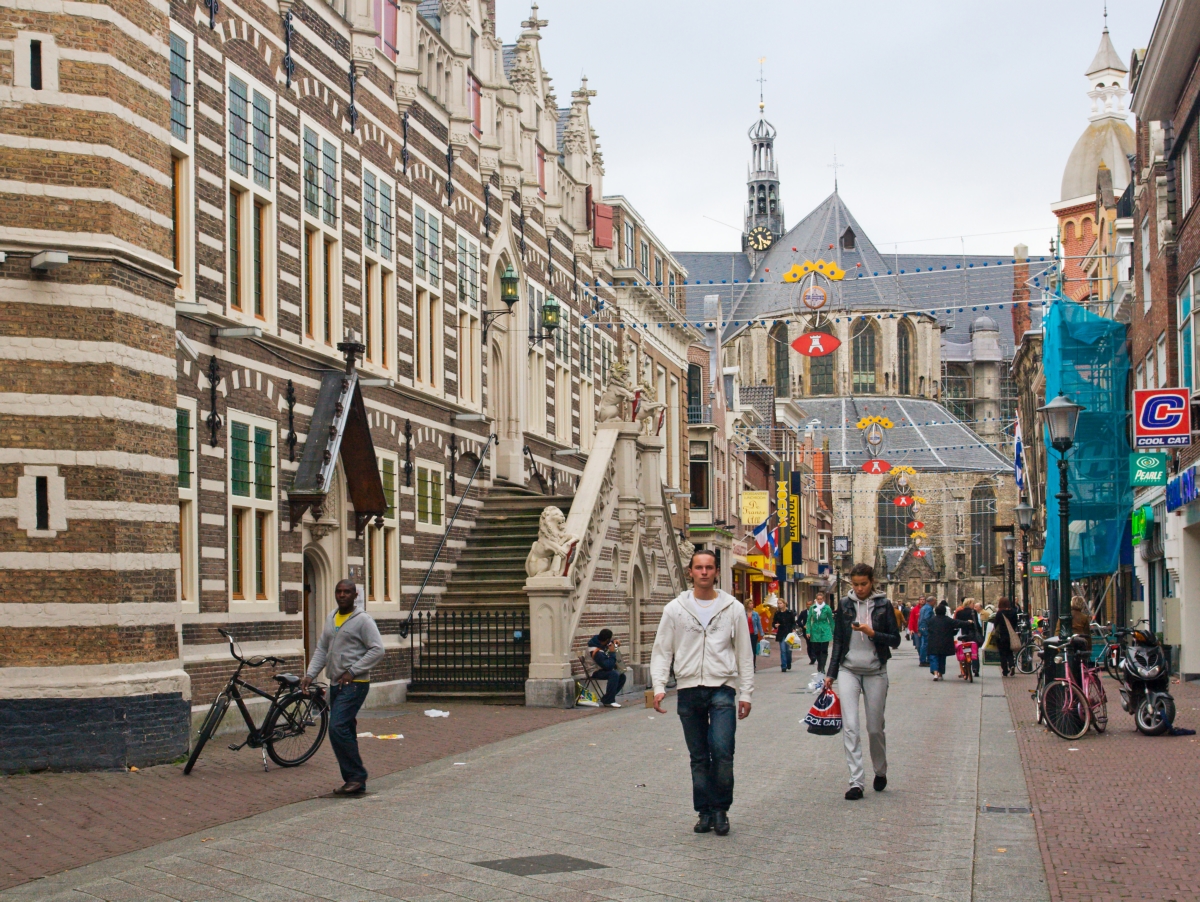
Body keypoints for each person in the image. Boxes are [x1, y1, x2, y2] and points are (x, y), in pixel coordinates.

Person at [651, 550, 754, 836]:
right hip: (688, 689)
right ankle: (704, 812)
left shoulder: (732, 608)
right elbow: (662, 650)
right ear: (691, 572)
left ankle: (721, 809)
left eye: (709, 567)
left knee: (722, 751)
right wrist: (659, 686)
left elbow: (745, 653)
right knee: (698, 756)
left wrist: (746, 693)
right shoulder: (675, 609)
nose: (704, 572)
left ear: (716, 572)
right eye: (699, 567)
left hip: (722, 687)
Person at [823, 563, 901, 801]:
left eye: (863, 584)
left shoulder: (884, 605)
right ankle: (856, 781)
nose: (859, 589)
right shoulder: (845, 604)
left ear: (872, 581)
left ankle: (880, 769)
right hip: (849, 670)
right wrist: (831, 673)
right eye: (855, 584)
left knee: (875, 727)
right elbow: (838, 639)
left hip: (876, 670)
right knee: (850, 726)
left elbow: (895, 640)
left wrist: (872, 632)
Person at [300, 579, 385, 795]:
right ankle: (355, 781)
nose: (342, 595)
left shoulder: (363, 620)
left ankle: (356, 776)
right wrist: (310, 674)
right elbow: (322, 649)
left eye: (347, 591)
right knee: (345, 729)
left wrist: (353, 670)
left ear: (355, 595)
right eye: (339, 591)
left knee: (337, 727)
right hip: (336, 682)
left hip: (356, 684)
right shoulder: (331, 617)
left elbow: (377, 649)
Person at [587, 629, 627, 707]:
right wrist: (612, 653)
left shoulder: (598, 640)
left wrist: (615, 641)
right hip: (594, 672)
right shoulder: (595, 651)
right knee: (614, 674)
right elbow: (608, 666)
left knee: (622, 676)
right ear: (606, 640)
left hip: (601, 669)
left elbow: (611, 639)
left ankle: (607, 698)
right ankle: (610, 700)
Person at [926, 601, 957, 681]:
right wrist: (968, 622)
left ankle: (935, 673)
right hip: (944, 642)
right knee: (942, 658)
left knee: (933, 657)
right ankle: (940, 673)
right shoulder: (948, 620)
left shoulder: (931, 620)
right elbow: (958, 623)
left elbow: (927, 629)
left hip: (933, 642)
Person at [991, 597, 1021, 676]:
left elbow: (995, 624)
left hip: (1001, 636)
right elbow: (1015, 623)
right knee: (1010, 652)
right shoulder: (1014, 612)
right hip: (1011, 635)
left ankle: (1005, 670)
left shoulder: (1000, 613)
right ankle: (1012, 665)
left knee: (1002, 654)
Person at [954, 599, 983, 677]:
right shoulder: (973, 612)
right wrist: (980, 633)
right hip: (972, 634)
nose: (973, 605)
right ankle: (975, 668)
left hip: (963, 634)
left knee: (964, 650)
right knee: (974, 651)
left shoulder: (959, 612)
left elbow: (956, 623)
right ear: (969, 603)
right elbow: (976, 624)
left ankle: (964, 668)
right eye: (973, 603)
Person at [806, 593, 833, 672]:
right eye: (818, 599)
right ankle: (819, 664)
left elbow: (831, 620)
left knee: (824, 649)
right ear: (816, 599)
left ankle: (822, 667)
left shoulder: (827, 608)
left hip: (825, 629)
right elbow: (808, 620)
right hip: (815, 629)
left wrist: (834, 631)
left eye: (821, 599)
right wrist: (808, 631)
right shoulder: (812, 608)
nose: (820, 600)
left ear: (823, 599)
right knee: (817, 650)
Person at [772, 600, 797, 673]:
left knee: (788, 650)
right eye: (778, 603)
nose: (779, 605)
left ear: (784, 604)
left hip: (789, 633)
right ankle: (783, 666)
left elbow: (793, 622)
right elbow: (773, 622)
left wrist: (793, 629)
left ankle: (788, 662)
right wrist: (775, 625)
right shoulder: (777, 613)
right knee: (783, 650)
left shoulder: (789, 612)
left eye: (781, 603)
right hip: (781, 633)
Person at [917, 595, 936, 667]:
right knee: (926, 644)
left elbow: (920, 619)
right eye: (934, 601)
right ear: (932, 601)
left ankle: (924, 660)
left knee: (924, 644)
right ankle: (923, 660)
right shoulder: (928, 608)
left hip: (922, 627)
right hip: (926, 628)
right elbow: (926, 618)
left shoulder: (923, 608)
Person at [745, 598, 763, 670]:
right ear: (747, 605)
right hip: (745, 634)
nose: (752, 605)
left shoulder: (755, 614)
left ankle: (753, 665)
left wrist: (761, 633)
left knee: (753, 650)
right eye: (750, 603)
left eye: (752, 603)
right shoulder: (743, 614)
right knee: (746, 651)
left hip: (753, 634)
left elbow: (759, 624)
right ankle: (746, 666)